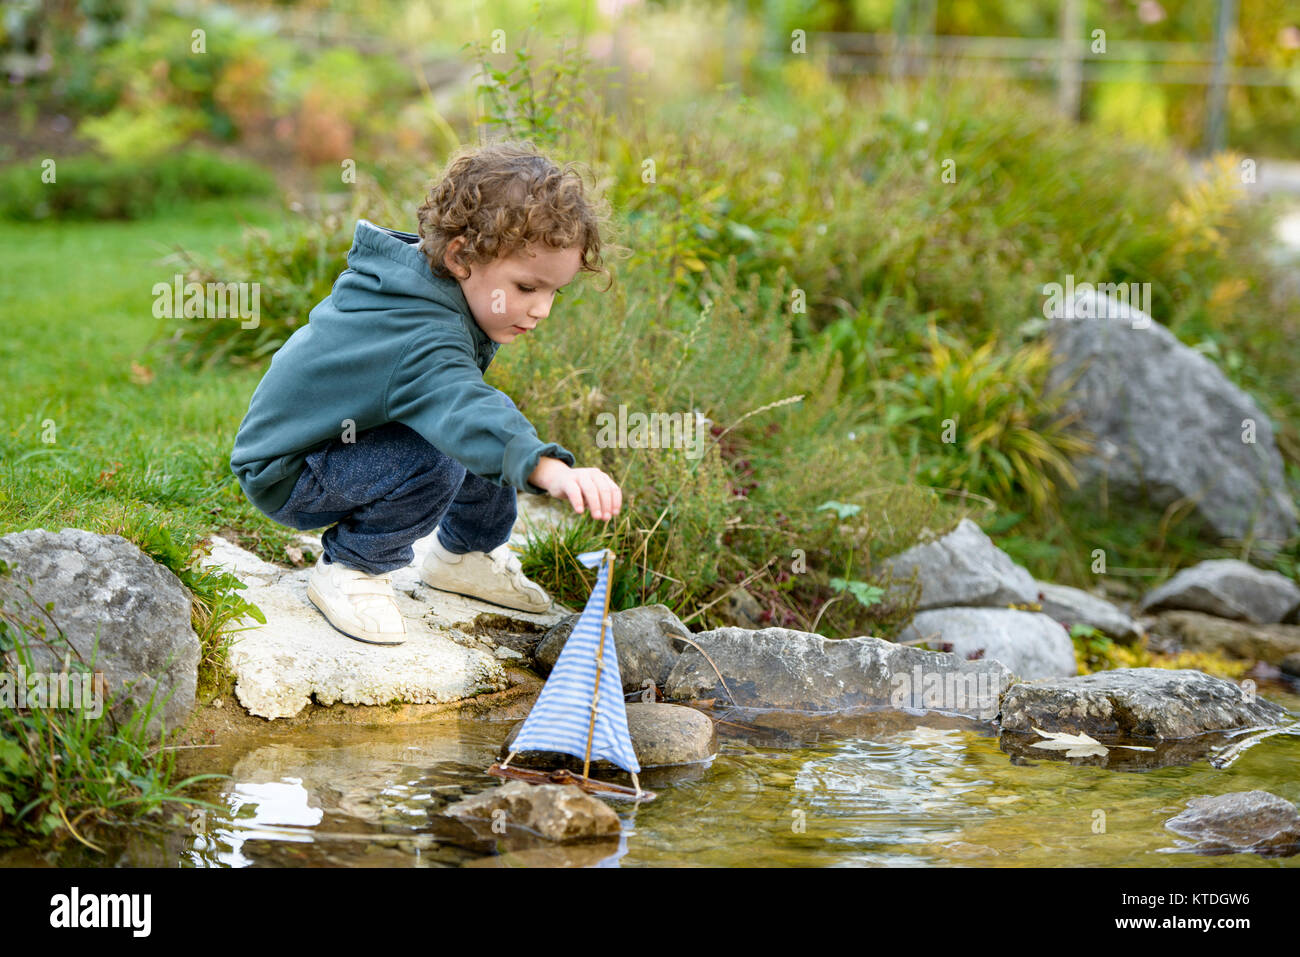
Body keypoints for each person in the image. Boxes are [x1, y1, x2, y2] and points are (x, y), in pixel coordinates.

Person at [229, 141, 622, 646]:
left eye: (553, 292)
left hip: (343, 449)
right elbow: (459, 408)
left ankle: (465, 554)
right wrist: (546, 468)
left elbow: (466, 406)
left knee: (487, 420)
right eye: (527, 288)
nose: (541, 309)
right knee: (444, 444)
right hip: (293, 473)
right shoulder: (421, 328)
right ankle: (353, 566)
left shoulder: (429, 287)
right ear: (461, 256)